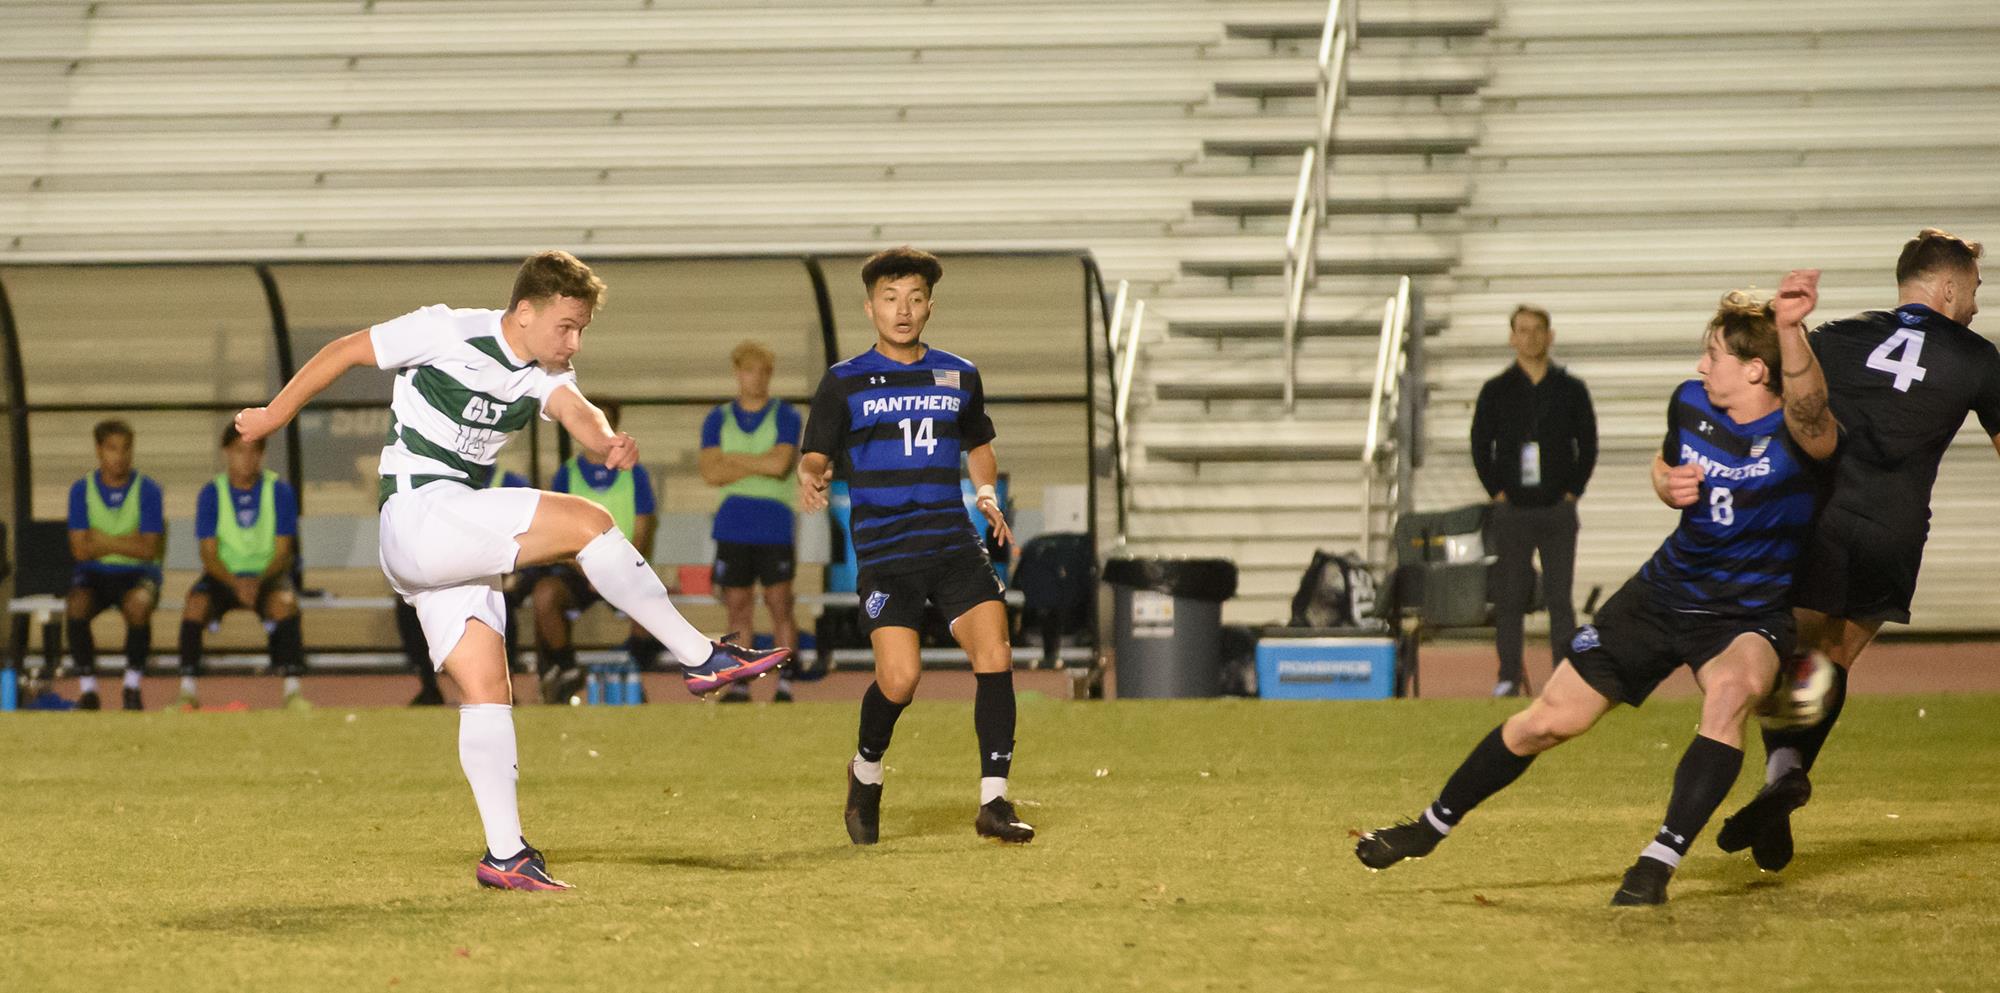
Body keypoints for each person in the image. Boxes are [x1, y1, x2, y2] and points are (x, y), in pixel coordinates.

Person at [232, 250, 789, 891]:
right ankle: (698, 656)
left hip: (442, 540)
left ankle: (505, 857)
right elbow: (346, 350)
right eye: (567, 326)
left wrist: (605, 440)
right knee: (589, 522)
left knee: (489, 691)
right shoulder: (446, 329)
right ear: (524, 312)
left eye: (582, 328)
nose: (574, 341)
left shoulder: (542, 367)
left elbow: (576, 408)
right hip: (419, 513)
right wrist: (275, 415)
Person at [1355, 273, 1837, 906]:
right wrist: (1667, 484)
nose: (1700, 364)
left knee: (1729, 697)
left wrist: (1791, 328)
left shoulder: (1804, 437)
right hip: (1660, 595)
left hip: (1744, 614)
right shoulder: (1691, 402)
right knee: (1544, 723)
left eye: (1714, 354)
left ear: (1754, 370)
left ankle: (1655, 865)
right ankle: (1427, 827)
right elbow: (1666, 465)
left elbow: (1806, 405)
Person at [1719, 229, 2000, 872]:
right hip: (1896, 528)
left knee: (1791, 650)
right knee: (1836, 657)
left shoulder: (1837, 335)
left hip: (1818, 512)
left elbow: (1776, 401)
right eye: (1976, 290)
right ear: (1949, 286)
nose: (1979, 304)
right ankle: (1783, 780)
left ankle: (1776, 769)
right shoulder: (1981, 359)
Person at [799, 246, 1034, 846]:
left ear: (929, 305)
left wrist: (985, 493)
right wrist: (813, 474)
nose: (902, 310)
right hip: (886, 553)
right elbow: (816, 451)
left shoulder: (960, 374)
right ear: (870, 306)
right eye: (889, 298)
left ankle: (993, 801)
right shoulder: (844, 381)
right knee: (901, 680)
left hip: (953, 545)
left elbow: (978, 442)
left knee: (996, 653)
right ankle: (866, 771)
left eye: (914, 298)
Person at [1470, 305, 1598, 697]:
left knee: (1560, 598)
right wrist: (1498, 494)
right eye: (1522, 331)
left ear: (1550, 335)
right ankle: (1508, 676)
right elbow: (1480, 445)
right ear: (1511, 338)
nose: (1529, 338)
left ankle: (1563, 676)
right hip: (1513, 512)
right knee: (1510, 599)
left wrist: (1571, 492)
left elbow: (1587, 444)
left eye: (1537, 330)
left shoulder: (1571, 388)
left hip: (1556, 510)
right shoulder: (1496, 390)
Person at [524, 400, 665, 704]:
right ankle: (567, 669)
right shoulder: (566, 475)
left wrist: (620, 567)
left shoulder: (634, 474)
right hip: (581, 569)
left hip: (623, 566)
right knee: (545, 594)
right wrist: (587, 569)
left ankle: (630, 671)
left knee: (651, 603)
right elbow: (557, 535)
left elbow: (642, 529)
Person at [175, 424, 306, 711]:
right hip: (223, 577)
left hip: (267, 576)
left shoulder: (279, 491)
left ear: (261, 455)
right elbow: (208, 555)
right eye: (239, 451)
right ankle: (187, 692)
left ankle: (293, 691)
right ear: (226, 453)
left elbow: (283, 552)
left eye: (253, 452)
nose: (246, 459)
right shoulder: (212, 493)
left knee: (285, 604)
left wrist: (257, 580)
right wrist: (236, 583)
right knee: (195, 605)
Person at [699, 341, 803, 703]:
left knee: (779, 603)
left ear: (769, 376)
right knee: (738, 606)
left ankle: (785, 679)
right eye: (747, 371)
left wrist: (734, 461)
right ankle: (741, 679)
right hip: (733, 523)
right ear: (737, 373)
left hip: (773, 521)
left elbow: (780, 466)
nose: (753, 379)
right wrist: (760, 459)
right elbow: (710, 471)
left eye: (761, 372)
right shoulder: (718, 418)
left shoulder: (786, 416)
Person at [405, 467, 533, 707]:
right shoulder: (437, 485)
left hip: (499, 572)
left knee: (503, 601)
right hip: (450, 572)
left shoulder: (509, 481)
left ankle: (504, 686)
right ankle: (429, 686)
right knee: (407, 606)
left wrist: (513, 572)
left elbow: (529, 534)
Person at [65, 419, 165, 711]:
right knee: (77, 605)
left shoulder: (148, 490)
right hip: (93, 574)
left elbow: (148, 549)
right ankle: (88, 690)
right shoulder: (81, 490)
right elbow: (80, 551)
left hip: (138, 574)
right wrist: (126, 542)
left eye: (125, 449)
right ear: (98, 450)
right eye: (112, 449)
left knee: (138, 605)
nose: (119, 457)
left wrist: (101, 541)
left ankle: (132, 686)